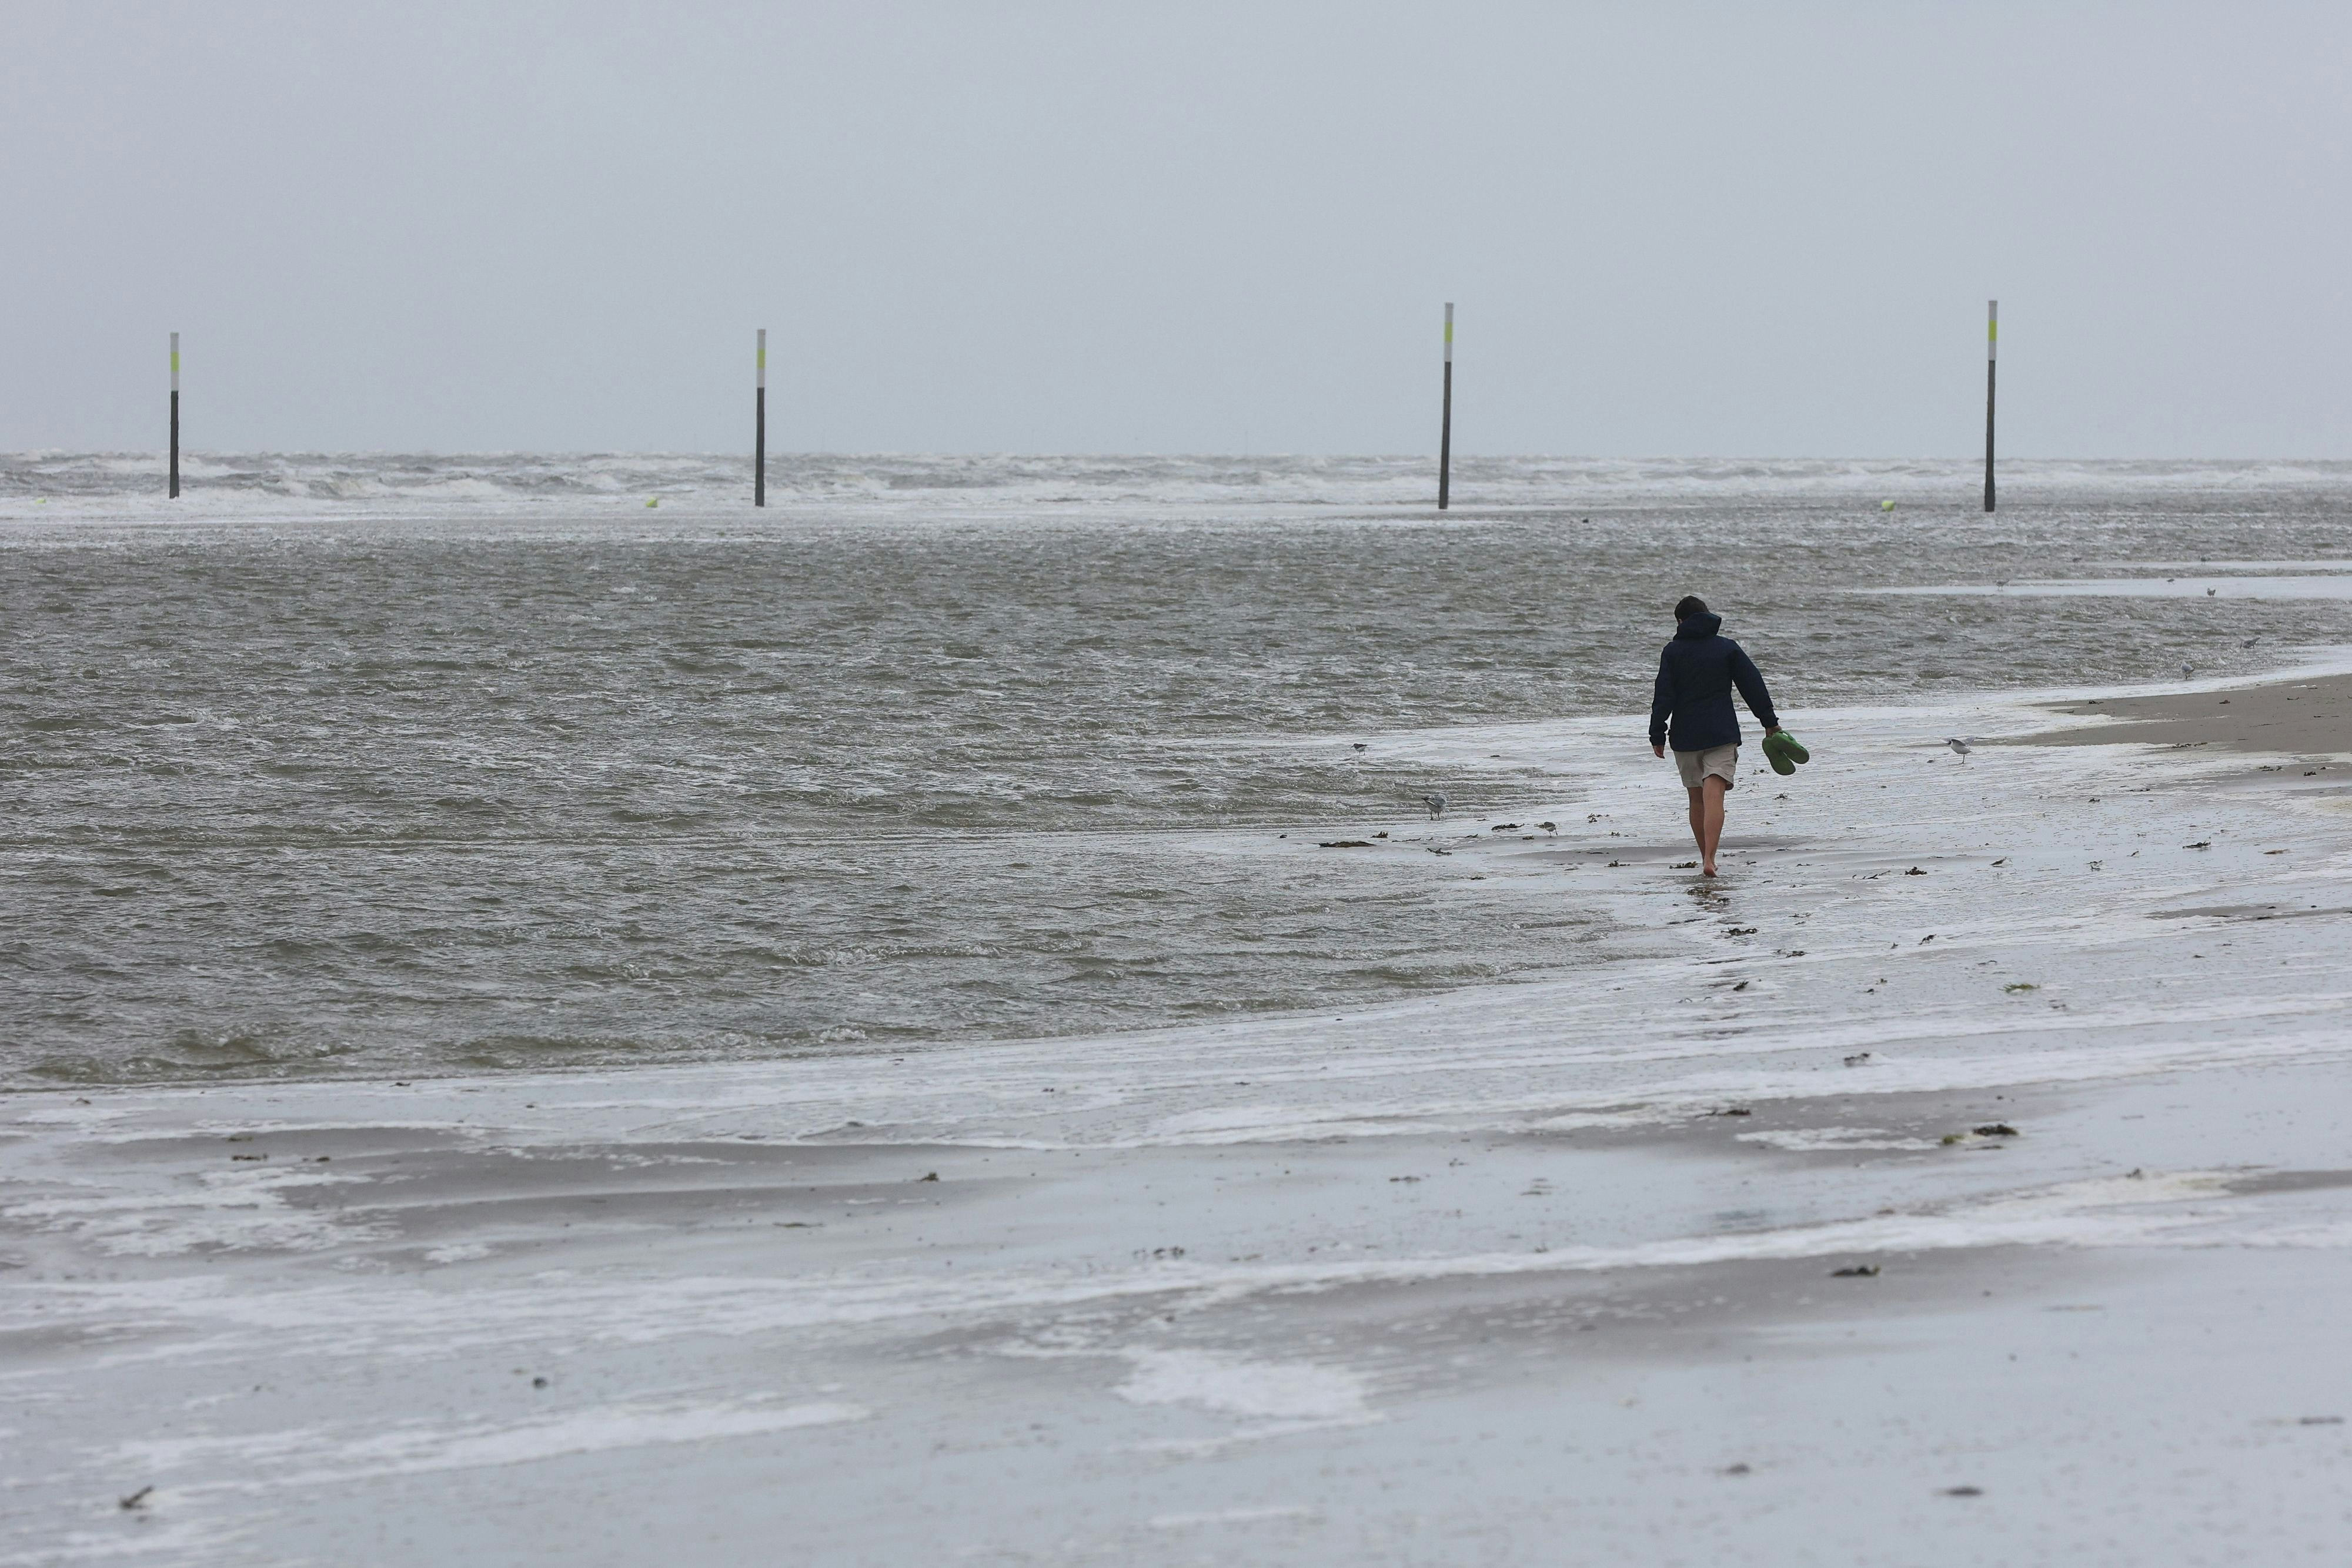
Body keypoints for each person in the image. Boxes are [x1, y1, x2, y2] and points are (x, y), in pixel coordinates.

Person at [1648, 596, 1784, 878]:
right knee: (1715, 798)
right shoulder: (1727, 649)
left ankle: (1705, 858)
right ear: (1707, 617)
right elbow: (1752, 685)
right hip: (1721, 733)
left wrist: (1657, 732)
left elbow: (1663, 695)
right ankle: (1711, 857)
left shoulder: (1672, 652)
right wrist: (1769, 723)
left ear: (1681, 622)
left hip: (1685, 736)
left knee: (1696, 800)